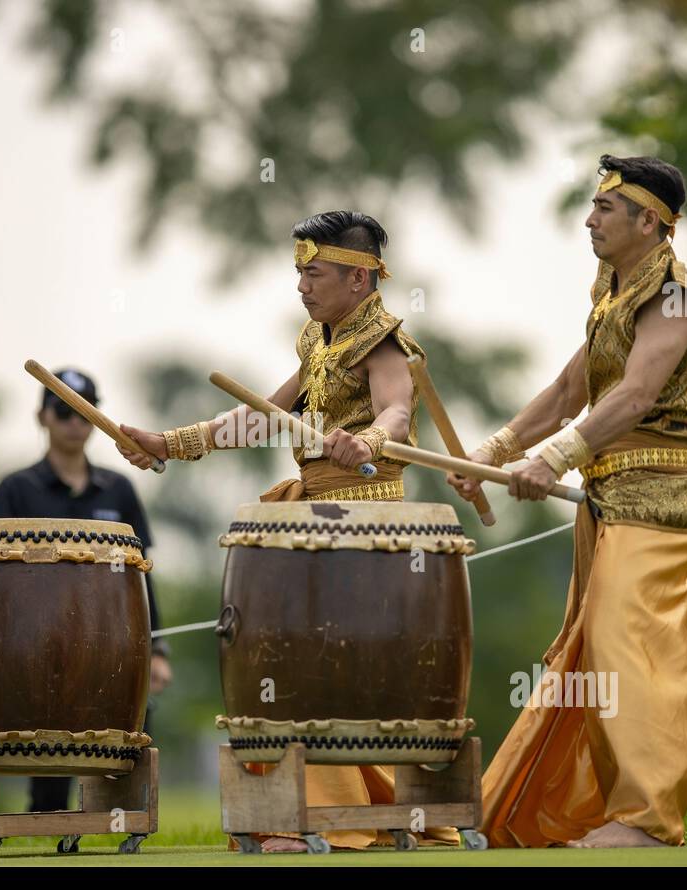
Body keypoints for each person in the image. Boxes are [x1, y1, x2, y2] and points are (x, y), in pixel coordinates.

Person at [116, 210, 456, 851]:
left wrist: (370, 439)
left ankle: (339, 817)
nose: (302, 284)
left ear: (359, 278)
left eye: (315, 272)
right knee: (298, 662)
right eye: (299, 271)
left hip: (367, 524)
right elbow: (262, 419)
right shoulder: (316, 339)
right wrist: (168, 443)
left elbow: (399, 410)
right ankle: (320, 813)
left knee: (336, 666)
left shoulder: (382, 342)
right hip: (312, 523)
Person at [450, 154, 687, 847]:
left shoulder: (677, 299)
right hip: (605, 499)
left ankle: (649, 819)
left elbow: (634, 396)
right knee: (590, 659)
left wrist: (554, 457)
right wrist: (494, 451)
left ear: (650, 221)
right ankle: (585, 813)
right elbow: (573, 391)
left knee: (627, 650)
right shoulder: (611, 295)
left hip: (656, 499)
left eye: (606, 208)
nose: (591, 219)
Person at [0, 368, 172, 812]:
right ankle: (47, 833)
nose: (75, 424)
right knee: (47, 765)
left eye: (84, 414)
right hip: (36, 648)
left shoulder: (120, 488)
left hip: (111, 643)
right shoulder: (16, 490)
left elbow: (139, 574)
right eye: (63, 413)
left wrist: (157, 647)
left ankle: (125, 834)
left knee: (125, 745)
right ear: (42, 417)